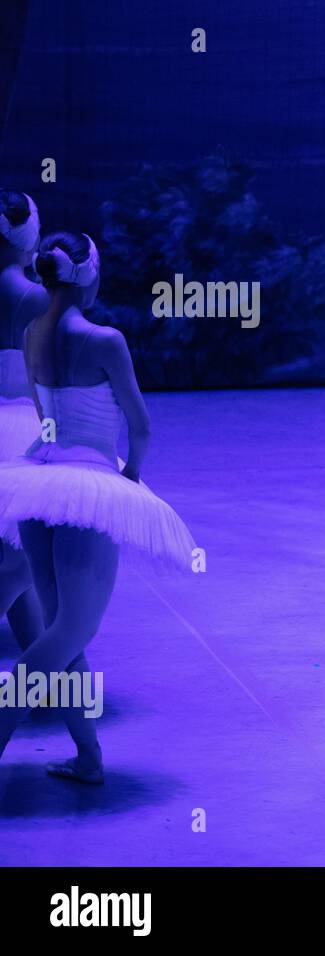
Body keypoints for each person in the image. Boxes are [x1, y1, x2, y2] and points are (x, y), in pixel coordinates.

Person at [0, 230, 197, 783]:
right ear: (87, 276)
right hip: (86, 484)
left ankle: (88, 757)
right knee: (70, 632)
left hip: (41, 484)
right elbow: (140, 425)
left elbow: (44, 418)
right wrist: (129, 479)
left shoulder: (31, 332)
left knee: (63, 631)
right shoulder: (105, 339)